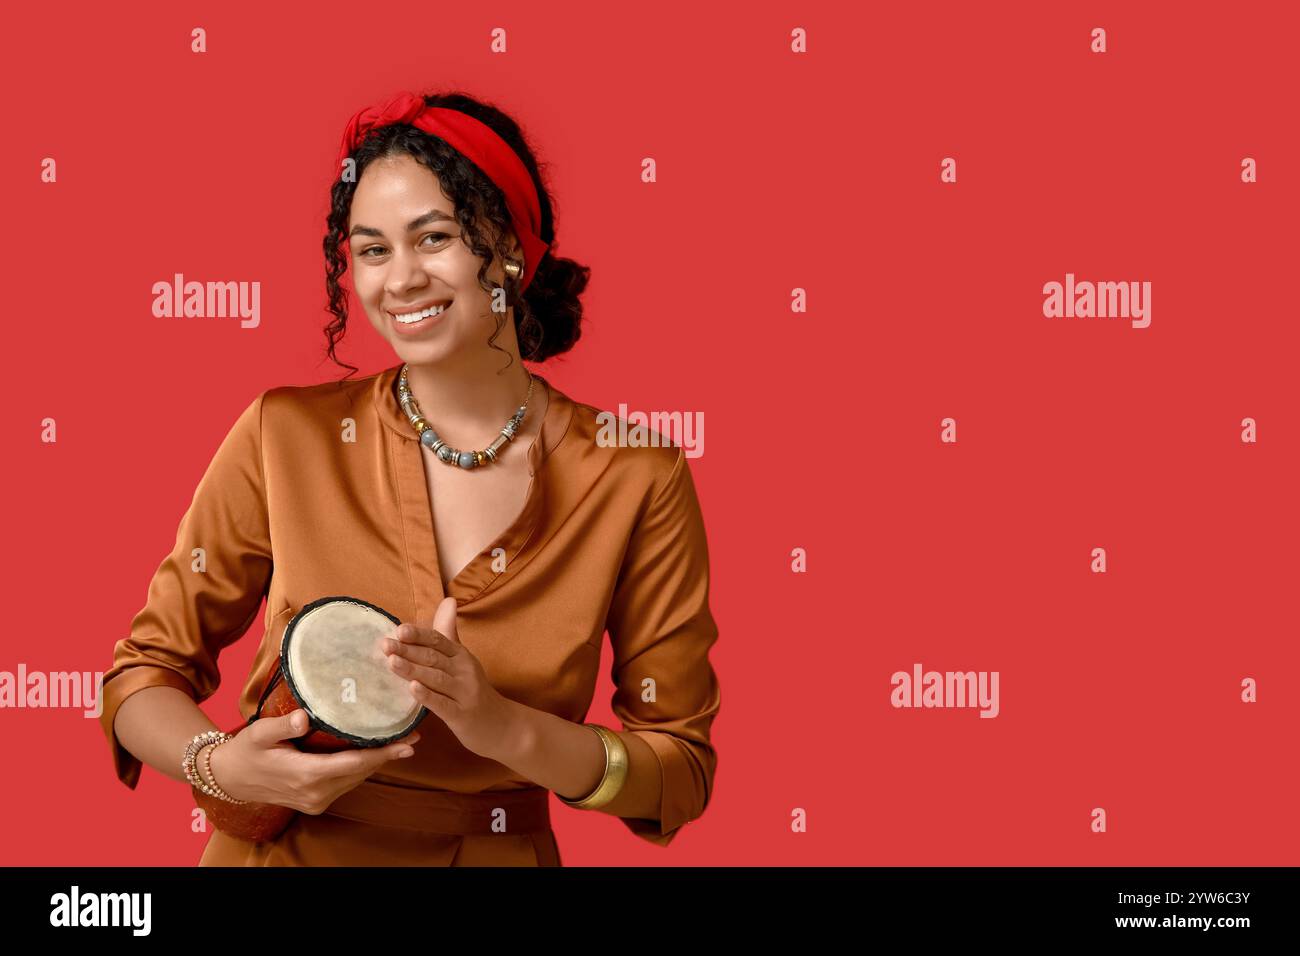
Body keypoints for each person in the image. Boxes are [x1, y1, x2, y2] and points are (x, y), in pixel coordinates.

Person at [98, 89, 721, 866]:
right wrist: (220, 766)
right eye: (372, 250)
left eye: (435, 238)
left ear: (513, 248)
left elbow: (680, 770)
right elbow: (142, 676)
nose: (401, 281)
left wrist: (506, 728)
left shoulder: (635, 474)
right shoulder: (285, 434)